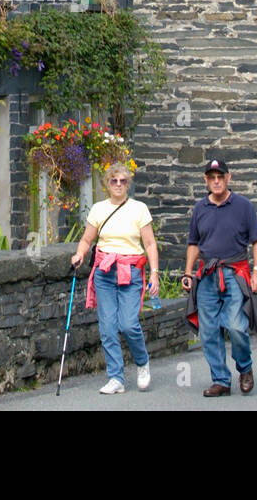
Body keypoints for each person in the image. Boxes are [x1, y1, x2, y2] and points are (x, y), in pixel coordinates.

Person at [70, 161, 161, 394]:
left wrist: (155, 274)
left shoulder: (139, 209)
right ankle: (116, 378)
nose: (118, 185)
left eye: (123, 181)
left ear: (128, 184)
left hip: (130, 271)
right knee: (108, 326)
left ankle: (142, 363)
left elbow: (149, 244)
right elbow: (86, 240)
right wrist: (80, 253)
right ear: (107, 184)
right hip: (104, 272)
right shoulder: (99, 209)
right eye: (114, 181)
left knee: (129, 324)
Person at [181, 159, 257, 397]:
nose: (216, 181)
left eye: (220, 176)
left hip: (235, 273)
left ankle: (245, 368)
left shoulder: (244, 206)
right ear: (205, 180)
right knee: (208, 331)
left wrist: (256, 271)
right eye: (211, 177)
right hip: (207, 275)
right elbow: (194, 243)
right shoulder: (200, 209)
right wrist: (188, 273)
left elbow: (256, 240)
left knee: (236, 326)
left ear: (229, 178)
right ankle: (220, 380)